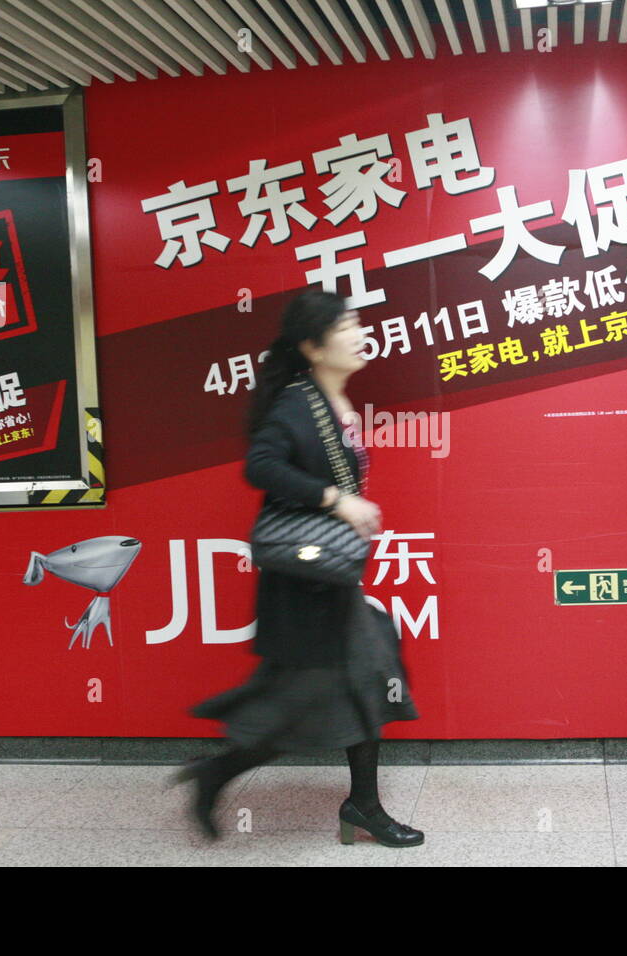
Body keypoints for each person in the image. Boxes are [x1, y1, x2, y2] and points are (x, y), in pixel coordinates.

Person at [175, 289, 422, 848]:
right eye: (347, 325)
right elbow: (260, 467)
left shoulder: (332, 401)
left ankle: (361, 804)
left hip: (328, 578)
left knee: (360, 681)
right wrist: (337, 499)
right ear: (313, 345)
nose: (360, 332)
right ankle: (220, 774)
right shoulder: (296, 402)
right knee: (302, 705)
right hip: (301, 586)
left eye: (358, 321)